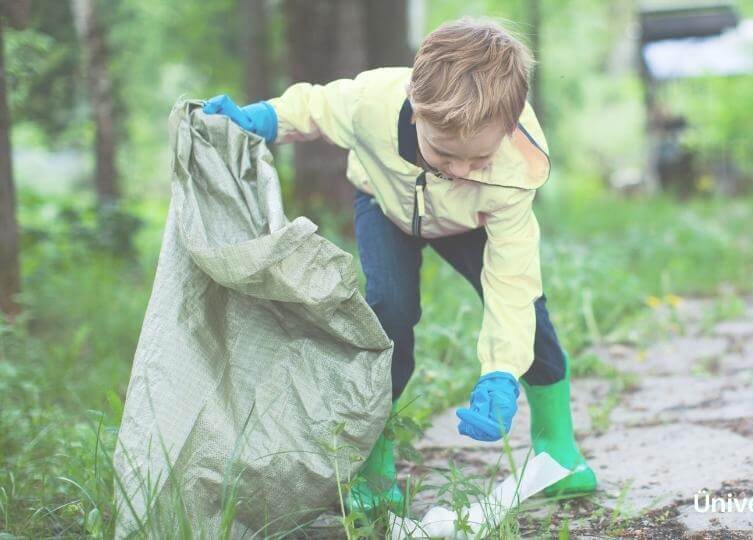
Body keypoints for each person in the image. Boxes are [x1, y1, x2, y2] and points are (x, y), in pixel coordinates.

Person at [202, 17, 596, 513]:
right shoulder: (374, 101)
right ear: (415, 110)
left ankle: (557, 450)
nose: (459, 171)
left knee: (531, 315)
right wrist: (263, 118)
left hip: (469, 220)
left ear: (510, 125)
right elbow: (317, 106)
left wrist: (499, 372)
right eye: (445, 153)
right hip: (385, 206)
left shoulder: (515, 169)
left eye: (478, 160)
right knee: (389, 312)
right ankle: (375, 468)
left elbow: (512, 285)